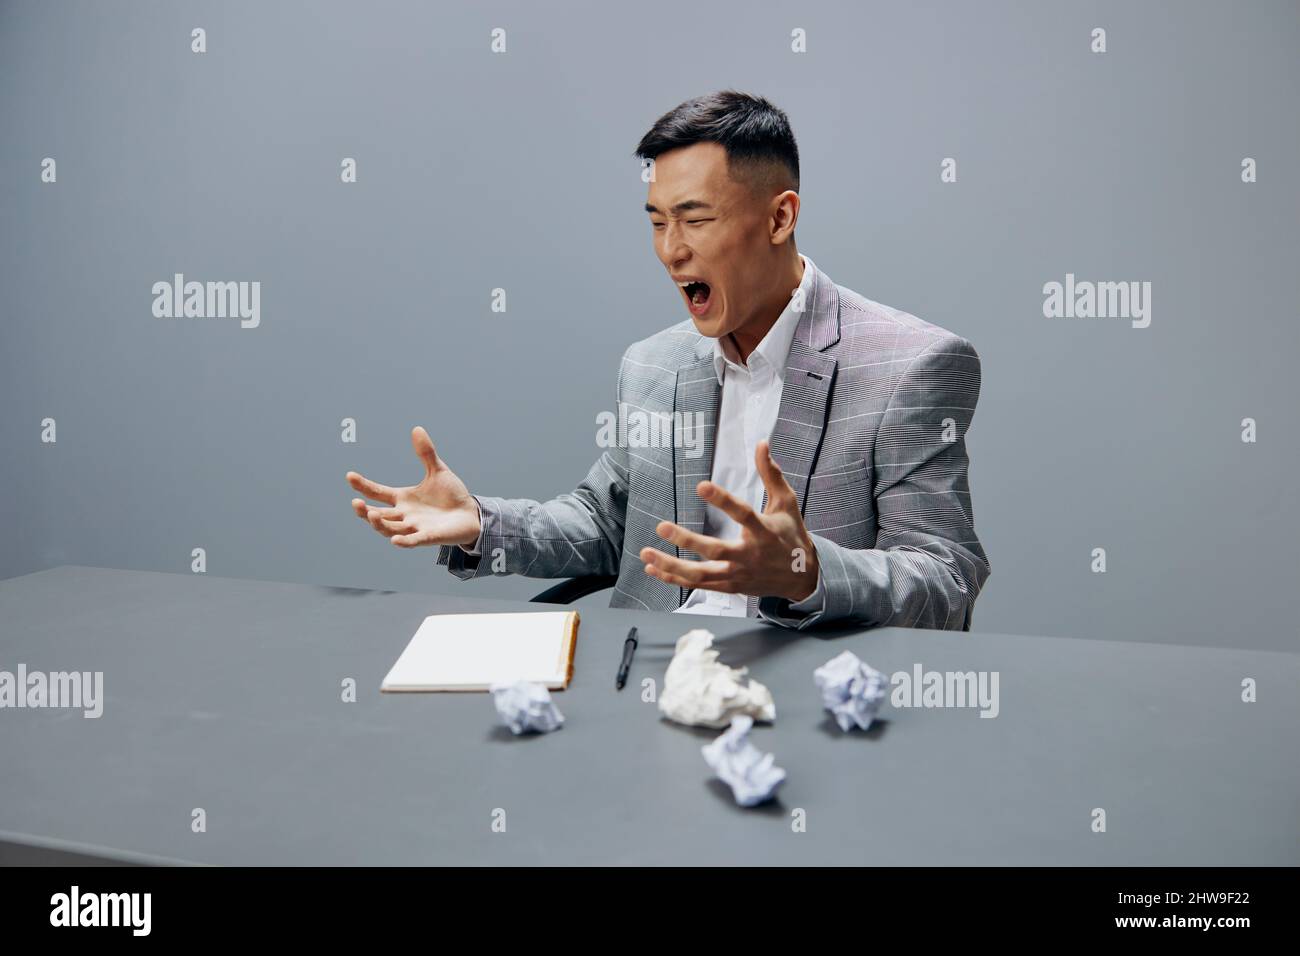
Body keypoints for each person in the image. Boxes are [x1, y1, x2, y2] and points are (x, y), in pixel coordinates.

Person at [347, 90, 990, 631]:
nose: (671, 251)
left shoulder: (911, 365)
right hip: (645, 684)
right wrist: (481, 525)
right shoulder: (654, 366)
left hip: (803, 698)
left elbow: (945, 576)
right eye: (657, 222)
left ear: (779, 218)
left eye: (695, 219)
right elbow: (609, 523)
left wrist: (806, 571)